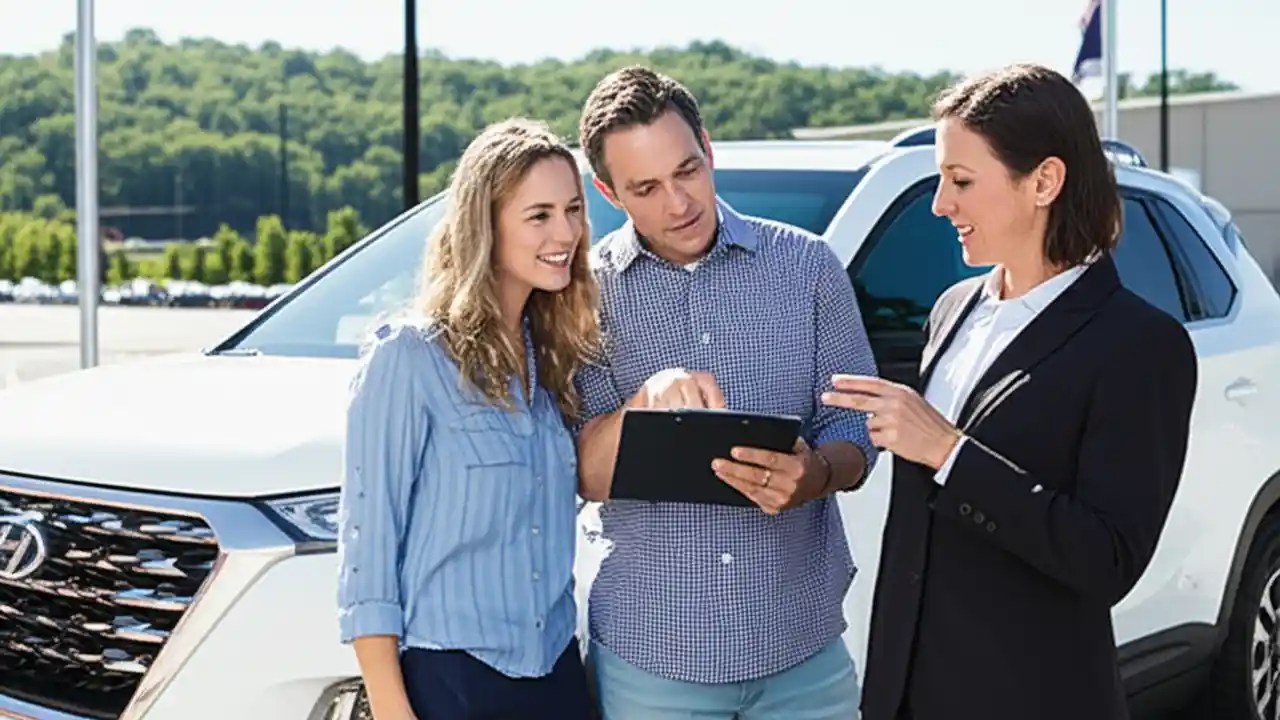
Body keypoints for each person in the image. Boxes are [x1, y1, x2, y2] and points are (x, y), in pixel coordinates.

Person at [822, 63, 1199, 720]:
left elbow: (1108, 559)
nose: (941, 204)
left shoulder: (1141, 345)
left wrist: (949, 452)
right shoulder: (951, 308)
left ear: (1045, 181)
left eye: (961, 181)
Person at [572, 65, 879, 719]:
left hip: (803, 653)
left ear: (708, 148)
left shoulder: (808, 268)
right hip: (652, 661)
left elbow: (853, 435)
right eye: (646, 188)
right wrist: (644, 403)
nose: (677, 203)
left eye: (687, 171)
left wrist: (817, 473)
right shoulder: (582, 298)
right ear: (608, 191)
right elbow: (579, 472)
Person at [336, 117, 600, 720]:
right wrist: (393, 709)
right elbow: (367, 550)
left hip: (557, 673)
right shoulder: (410, 357)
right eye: (539, 215)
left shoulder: (555, 361)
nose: (566, 232)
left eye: (573, 209)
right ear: (485, 224)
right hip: (450, 682)